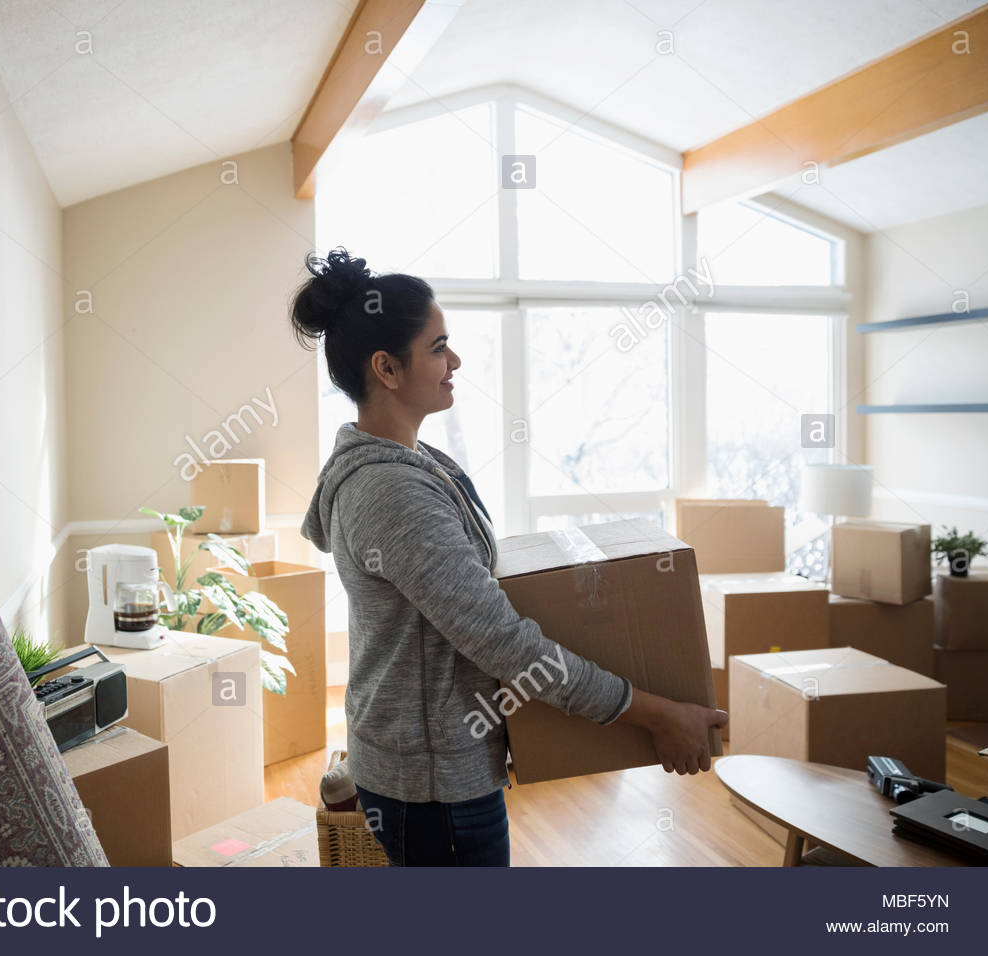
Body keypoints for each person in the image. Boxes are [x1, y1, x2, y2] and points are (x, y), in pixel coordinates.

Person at [292, 248, 728, 867]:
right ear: (387, 368)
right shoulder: (391, 493)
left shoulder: (419, 467)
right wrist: (654, 715)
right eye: (439, 347)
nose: (455, 362)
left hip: (431, 768)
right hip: (431, 786)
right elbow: (505, 645)